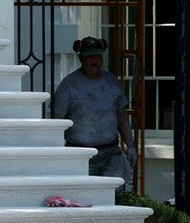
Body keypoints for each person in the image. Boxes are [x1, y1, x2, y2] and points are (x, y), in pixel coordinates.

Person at [52, 36, 137, 190]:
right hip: (80, 157)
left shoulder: (111, 81)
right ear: (80, 58)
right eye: (89, 56)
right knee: (83, 200)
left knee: (114, 198)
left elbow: (122, 117)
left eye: (97, 56)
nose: (94, 60)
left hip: (111, 155)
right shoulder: (68, 86)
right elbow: (57, 123)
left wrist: (130, 146)